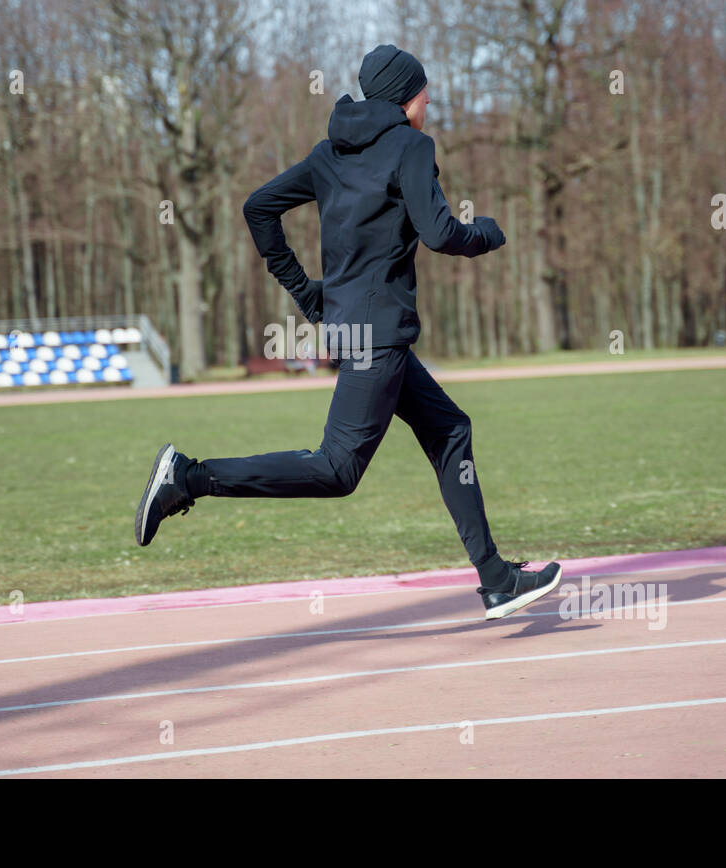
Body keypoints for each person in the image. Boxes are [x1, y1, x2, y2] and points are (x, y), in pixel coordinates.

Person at [135, 44, 560, 620]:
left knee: (449, 429)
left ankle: (496, 579)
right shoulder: (412, 146)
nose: (430, 100)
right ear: (406, 98)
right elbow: (439, 233)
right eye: (424, 91)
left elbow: (259, 207)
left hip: (358, 329)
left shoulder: (329, 153)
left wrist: (309, 294)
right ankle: (189, 476)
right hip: (378, 336)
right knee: (336, 470)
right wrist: (484, 232)